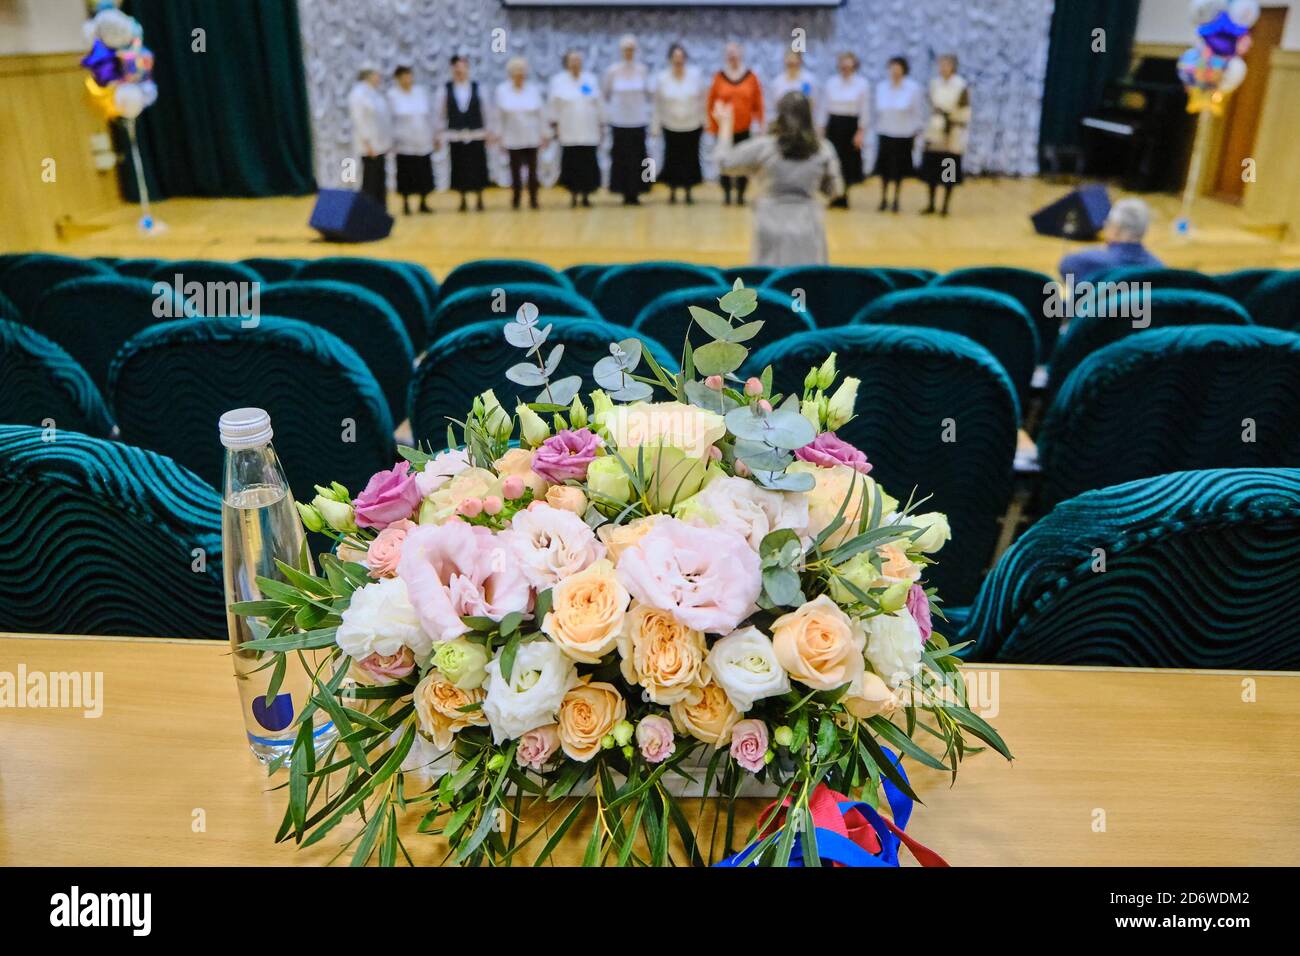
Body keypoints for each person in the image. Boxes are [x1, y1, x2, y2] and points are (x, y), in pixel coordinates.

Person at [712, 92, 844, 266]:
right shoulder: (824, 149)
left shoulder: (765, 147)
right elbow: (836, 191)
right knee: (805, 283)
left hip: (769, 223)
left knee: (770, 284)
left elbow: (724, 162)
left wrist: (725, 124)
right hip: (808, 225)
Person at [707, 43, 764, 206]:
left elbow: (758, 103)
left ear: (741, 54)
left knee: (743, 162)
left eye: (735, 53)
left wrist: (760, 124)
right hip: (723, 129)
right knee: (724, 161)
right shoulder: (719, 77)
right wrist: (713, 125)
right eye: (729, 53)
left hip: (743, 128)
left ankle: (740, 194)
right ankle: (726, 193)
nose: (733, 56)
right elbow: (711, 102)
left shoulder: (751, 76)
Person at [1058, 198, 1164, 284]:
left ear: (1116, 229)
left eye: (1108, 222)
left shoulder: (1084, 261)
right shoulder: (1158, 268)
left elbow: (1065, 267)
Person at [437, 54, 492, 213]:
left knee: (478, 167)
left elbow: (486, 111)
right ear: (452, 69)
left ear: (467, 68)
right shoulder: (445, 89)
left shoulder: (478, 87)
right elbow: (441, 113)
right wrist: (439, 134)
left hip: (476, 133)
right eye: (457, 67)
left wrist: (490, 131)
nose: (460, 70)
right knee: (459, 167)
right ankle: (462, 199)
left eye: (463, 66)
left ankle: (479, 197)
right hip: (456, 135)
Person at [653, 42, 707, 205]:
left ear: (685, 59)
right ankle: (672, 190)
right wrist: (655, 125)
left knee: (690, 159)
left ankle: (689, 190)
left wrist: (705, 121)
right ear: (670, 59)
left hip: (692, 125)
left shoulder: (695, 76)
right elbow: (658, 104)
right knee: (672, 159)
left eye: (681, 57)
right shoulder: (662, 78)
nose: (678, 60)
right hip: (670, 126)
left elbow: (702, 100)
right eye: (675, 57)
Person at [549, 50, 603, 208]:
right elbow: (554, 106)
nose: (575, 63)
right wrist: (555, 126)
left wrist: (601, 122)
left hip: (588, 129)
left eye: (578, 60)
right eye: (572, 60)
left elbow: (596, 101)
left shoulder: (589, 80)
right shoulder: (558, 81)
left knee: (587, 163)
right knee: (572, 163)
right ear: (567, 63)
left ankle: (586, 194)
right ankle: (573, 194)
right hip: (568, 130)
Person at [872, 55, 925, 214]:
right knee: (885, 170)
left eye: (898, 68)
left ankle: (896, 199)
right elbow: (878, 111)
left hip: (903, 134)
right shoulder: (881, 87)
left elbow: (917, 112)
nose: (895, 71)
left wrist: (918, 132)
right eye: (892, 68)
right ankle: (883, 198)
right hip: (885, 132)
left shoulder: (912, 88)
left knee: (899, 170)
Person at [604, 35, 652, 206]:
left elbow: (648, 94)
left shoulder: (642, 70)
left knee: (640, 158)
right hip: (619, 122)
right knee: (621, 157)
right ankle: (622, 191)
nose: (629, 53)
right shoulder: (612, 71)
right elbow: (606, 94)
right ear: (621, 51)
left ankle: (640, 191)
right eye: (626, 49)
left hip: (638, 121)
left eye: (632, 49)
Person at [920, 54, 970, 217]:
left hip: (952, 131)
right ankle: (931, 203)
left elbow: (964, 110)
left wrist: (953, 121)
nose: (943, 68)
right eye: (941, 65)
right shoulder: (935, 84)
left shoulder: (960, 85)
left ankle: (945, 205)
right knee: (932, 168)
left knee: (948, 169)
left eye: (946, 65)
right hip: (935, 129)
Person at [495, 57, 546, 210]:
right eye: (516, 71)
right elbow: (499, 116)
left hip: (532, 136)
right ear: (510, 73)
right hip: (512, 137)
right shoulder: (502, 90)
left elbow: (541, 114)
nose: (519, 74)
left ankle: (534, 199)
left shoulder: (533, 90)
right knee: (515, 172)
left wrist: (545, 134)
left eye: (521, 71)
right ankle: (516, 199)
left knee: (533, 171)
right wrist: (499, 136)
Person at [819, 52, 869, 209]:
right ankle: (833, 195)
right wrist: (821, 128)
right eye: (843, 65)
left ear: (854, 66)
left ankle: (844, 195)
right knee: (833, 161)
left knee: (848, 163)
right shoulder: (831, 83)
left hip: (851, 126)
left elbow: (864, 109)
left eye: (849, 65)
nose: (845, 68)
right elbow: (824, 107)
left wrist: (861, 132)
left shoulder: (862, 84)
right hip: (834, 125)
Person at [387, 66, 435, 215]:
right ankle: (406, 203)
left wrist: (433, 135)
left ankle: (423, 201)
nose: (408, 79)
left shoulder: (420, 92)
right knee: (406, 173)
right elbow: (390, 119)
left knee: (423, 172)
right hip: (403, 142)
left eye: (409, 76)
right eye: (404, 76)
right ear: (398, 79)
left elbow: (428, 115)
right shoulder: (392, 95)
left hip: (422, 138)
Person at [348, 68, 392, 207]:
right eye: (376, 74)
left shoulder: (374, 93)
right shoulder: (358, 94)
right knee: (370, 180)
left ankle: (380, 208)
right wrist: (368, 144)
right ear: (368, 76)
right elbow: (359, 120)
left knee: (379, 179)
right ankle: (368, 209)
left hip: (379, 145)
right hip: (369, 145)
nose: (379, 77)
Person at [770, 50, 817, 116]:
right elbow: (773, 105)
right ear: (784, 61)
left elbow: (813, 104)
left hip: (803, 120)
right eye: (788, 59)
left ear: (800, 60)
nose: (791, 62)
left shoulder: (809, 80)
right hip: (783, 120)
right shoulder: (777, 82)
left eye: (794, 59)